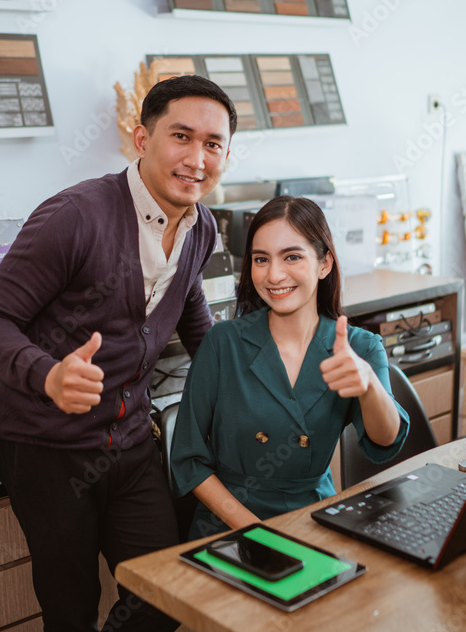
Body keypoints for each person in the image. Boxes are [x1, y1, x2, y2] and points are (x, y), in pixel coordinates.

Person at [0, 75, 235, 632]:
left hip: (132, 444)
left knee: (166, 592)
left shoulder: (202, 225)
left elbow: (190, 309)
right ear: (142, 139)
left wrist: (242, 380)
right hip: (47, 451)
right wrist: (48, 375)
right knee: (70, 614)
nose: (196, 157)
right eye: (180, 136)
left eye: (213, 144)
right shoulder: (74, 216)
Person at [170, 196, 410, 539]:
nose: (274, 275)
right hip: (228, 526)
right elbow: (188, 460)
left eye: (292, 257)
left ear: (324, 263)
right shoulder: (222, 343)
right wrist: (257, 531)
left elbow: (385, 440)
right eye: (261, 259)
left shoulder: (360, 346)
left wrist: (369, 383)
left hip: (314, 521)